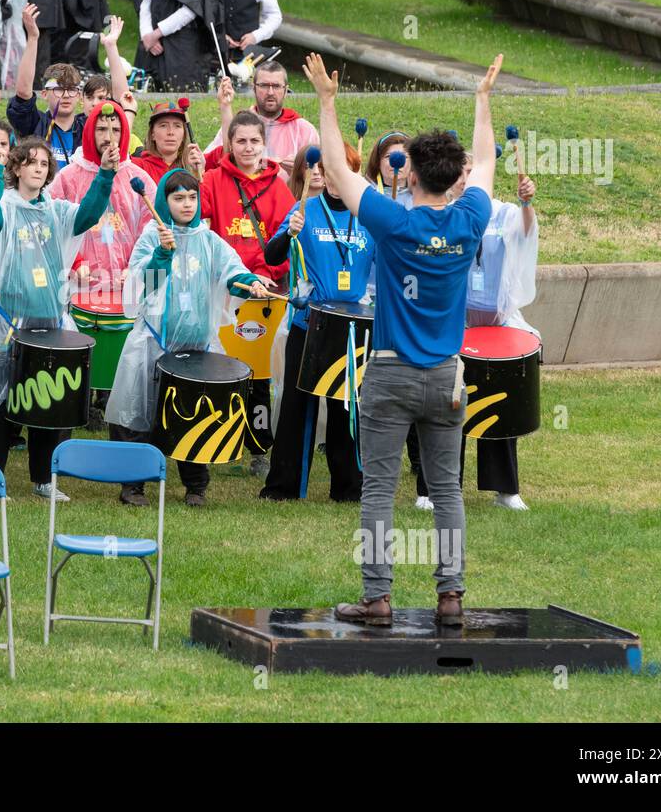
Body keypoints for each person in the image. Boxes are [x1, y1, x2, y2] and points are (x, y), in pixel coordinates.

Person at [311, 51, 502, 628]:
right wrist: (483, 100)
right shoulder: (470, 218)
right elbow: (488, 162)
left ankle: (377, 598)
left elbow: (339, 174)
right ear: (457, 177)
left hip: (391, 373)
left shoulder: (393, 221)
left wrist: (326, 99)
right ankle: (451, 597)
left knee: (379, 492)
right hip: (446, 375)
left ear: (410, 176)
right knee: (447, 493)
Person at [106, 169, 271, 507]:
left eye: (192, 197)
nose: (187, 204)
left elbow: (231, 270)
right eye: (178, 197)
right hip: (152, 344)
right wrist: (162, 255)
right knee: (142, 415)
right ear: (164, 202)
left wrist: (249, 281)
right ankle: (133, 484)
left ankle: (196, 485)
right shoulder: (152, 236)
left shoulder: (208, 239)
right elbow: (140, 288)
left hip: (196, 347)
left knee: (194, 414)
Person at [0, 136, 115, 500]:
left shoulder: (56, 210)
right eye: (30, 162)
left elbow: (89, 215)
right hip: (3, 325)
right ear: (16, 168)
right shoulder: (4, 204)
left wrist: (106, 175)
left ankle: (43, 480)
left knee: (50, 403)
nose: (38, 168)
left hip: (49, 325)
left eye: (44, 164)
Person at [422, 153, 539, 512]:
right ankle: (433, 489)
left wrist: (526, 204)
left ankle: (506, 489)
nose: (466, 177)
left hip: (496, 328)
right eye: (460, 171)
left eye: (473, 170)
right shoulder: (441, 214)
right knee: (444, 407)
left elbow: (525, 232)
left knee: (499, 404)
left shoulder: (502, 213)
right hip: (452, 326)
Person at [259, 141, 375, 502]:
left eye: (342, 170)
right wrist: (290, 232)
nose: (332, 176)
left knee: (347, 409)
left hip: (352, 325)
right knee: (296, 405)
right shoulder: (303, 209)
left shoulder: (369, 216)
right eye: (327, 170)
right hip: (309, 322)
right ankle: (284, 486)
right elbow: (271, 254)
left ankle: (349, 488)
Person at [200, 110, 295, 478]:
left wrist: (265, 274)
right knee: (222, 366)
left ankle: (259, 446)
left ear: (264, 144)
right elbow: (200, 227)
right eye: (240, 140)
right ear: (230, 143)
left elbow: (285, 241)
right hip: (225, 290)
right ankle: (220, 438)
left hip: (265, 291)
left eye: (255, 140)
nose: (248, 147)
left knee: (259, 372)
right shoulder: (211, 180)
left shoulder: (279, 186)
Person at [50, 100, 155, 308]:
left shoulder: (138, 178)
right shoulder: (67, 178)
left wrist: (135, 267)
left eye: (115, 130)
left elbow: (152, 231)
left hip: (128, 290)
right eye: (101, 129)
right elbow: (53, 227)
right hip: (78, 289)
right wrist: (75, 263)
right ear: (89, 132)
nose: (108, 137)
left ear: (124, 134)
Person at [7, 8, 129, 168]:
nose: (66, 95)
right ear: (44, 93)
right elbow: (23, 93)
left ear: (79, 95)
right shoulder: (35, 123)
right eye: (58, 89)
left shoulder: (90, 126)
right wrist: (33, 38)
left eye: (71, 89)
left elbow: (123, 100)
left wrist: (111, 46)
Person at [204, 61, 319, 178]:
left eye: (276, 86)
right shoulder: (238, 125)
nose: (270, 92)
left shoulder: (304, 130)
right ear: (254, 88)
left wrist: (300, 168)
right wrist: (225, 107)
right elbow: (213, 161)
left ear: (285, 90)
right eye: (264, 85)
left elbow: (321, 173)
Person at [133, 100, 206, 182]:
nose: (171, 132)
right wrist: (129, 111)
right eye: (163, 125)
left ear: (184, 135)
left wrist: (197, 174)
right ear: (152, 134)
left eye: (177, 126)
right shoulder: (137, 166)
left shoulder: (192, 167)